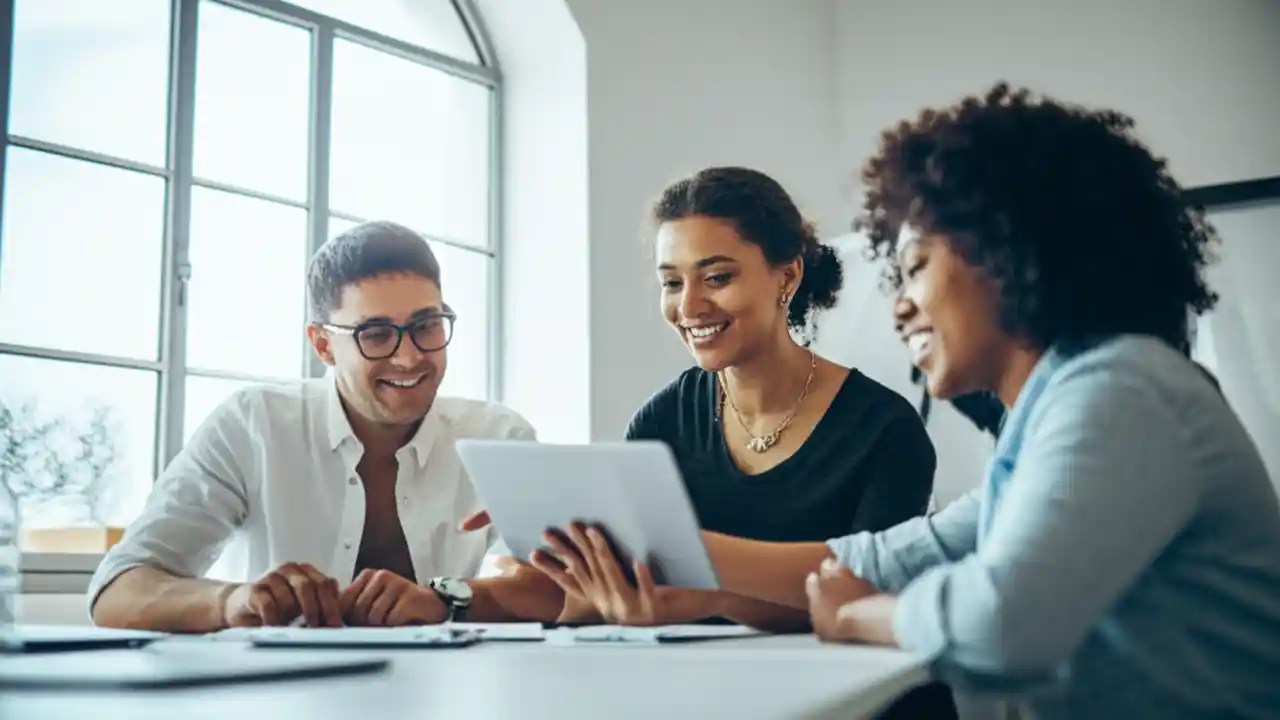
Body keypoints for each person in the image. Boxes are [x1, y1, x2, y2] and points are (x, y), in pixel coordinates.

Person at [544, 85, 1280, 719]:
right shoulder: (1053, 416)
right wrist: (667, 560)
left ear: (1009, 257)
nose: (899, 308)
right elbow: (890, 555)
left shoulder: (1121, 390)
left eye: (916, 267)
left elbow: (1001, 622)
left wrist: (860, 615)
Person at [503, 167, 956, 717]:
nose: (689, 307)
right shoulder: (661, 421)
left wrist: (702, 600)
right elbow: (619, 587)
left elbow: (868, 597)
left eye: (716, 277)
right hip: (708, 700)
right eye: (672, 283)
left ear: (787, 276)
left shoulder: (886, 429)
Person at [90, 221, 559, 631]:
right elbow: (117, 590)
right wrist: (232, 601)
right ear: (323, 346)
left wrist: (444, 601)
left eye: (426, 326)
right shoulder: (254, 426)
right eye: (376, 334)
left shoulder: (501, 438)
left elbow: (558, 590)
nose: (408, 356)